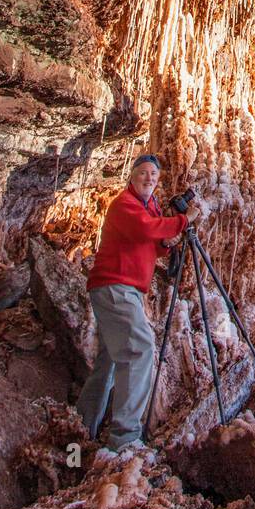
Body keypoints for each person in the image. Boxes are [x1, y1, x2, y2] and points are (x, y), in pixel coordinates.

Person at [76, 154, 190, 452]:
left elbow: (151, 242)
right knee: (140, 348)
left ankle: (81, 430)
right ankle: (125, 438)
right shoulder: (124, 204)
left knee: (110, 361)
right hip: (115, 286)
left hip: (121, 289)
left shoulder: (148, 207)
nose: (149, 178)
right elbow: (146, 229)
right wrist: (182, 222)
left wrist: (166, 244)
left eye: (154, 173)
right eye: (143, 173)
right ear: (132, 176)